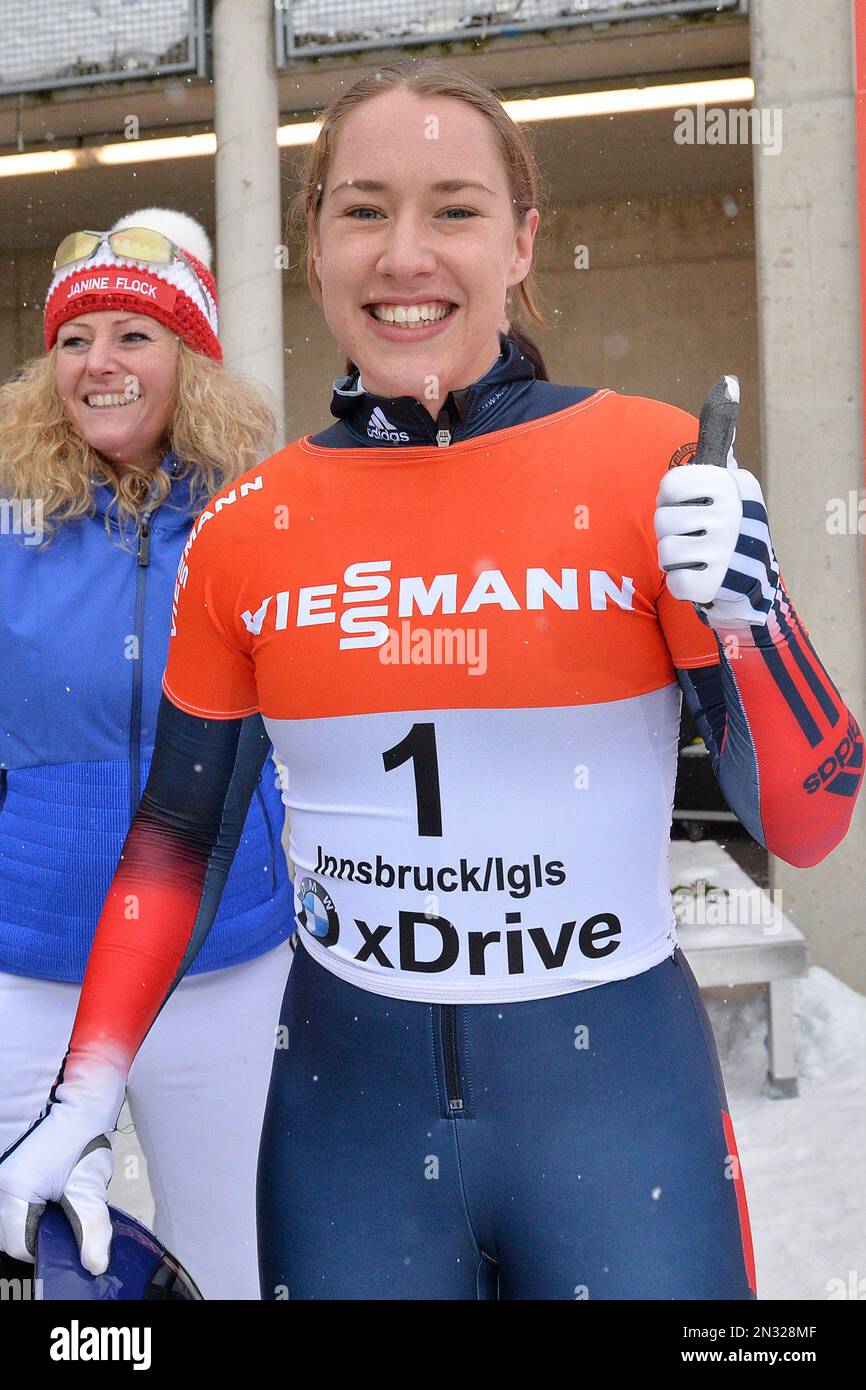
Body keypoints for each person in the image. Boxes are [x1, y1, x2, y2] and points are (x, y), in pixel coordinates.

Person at [0, 61, 862, 1300]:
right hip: (347, 1132)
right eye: (362, 210)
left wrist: (755, 616)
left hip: (615, 1117)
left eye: (451, 209)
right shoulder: (249, 527)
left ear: (521, 243)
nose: (404, 253)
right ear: (312, 251)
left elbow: (809, 819)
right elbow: (176, 837)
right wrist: (84, 1091)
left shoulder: (645, 463)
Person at [0, 209, 294, 1299]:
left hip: (221, 951)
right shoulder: (6, 518)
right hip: (30, 948)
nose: (100, 363)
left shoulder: (256, 521)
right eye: (75, 340)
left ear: (191, 361)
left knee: (232, 1251)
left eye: (135, 334)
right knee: (25, 1250)